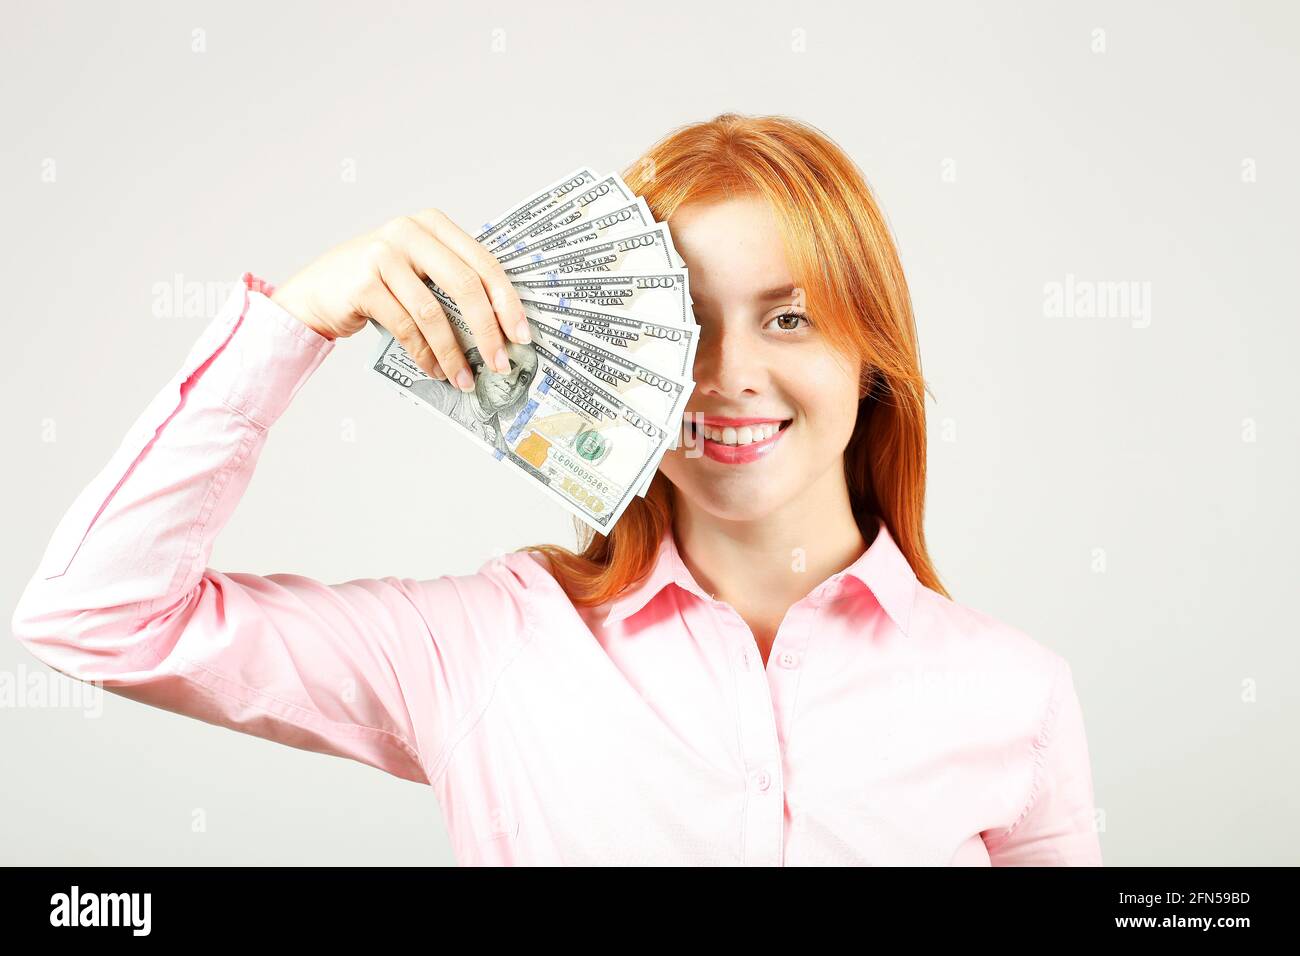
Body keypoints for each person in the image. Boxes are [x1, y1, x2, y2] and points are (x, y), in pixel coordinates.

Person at [10, 113, 1103, 866]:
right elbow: (97, 616)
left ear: (869, 358)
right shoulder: (488, 648)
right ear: (612, 350)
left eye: (788, 314)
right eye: (682, 320)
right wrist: (297, 318)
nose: (724, 374)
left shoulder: (1014, 692)